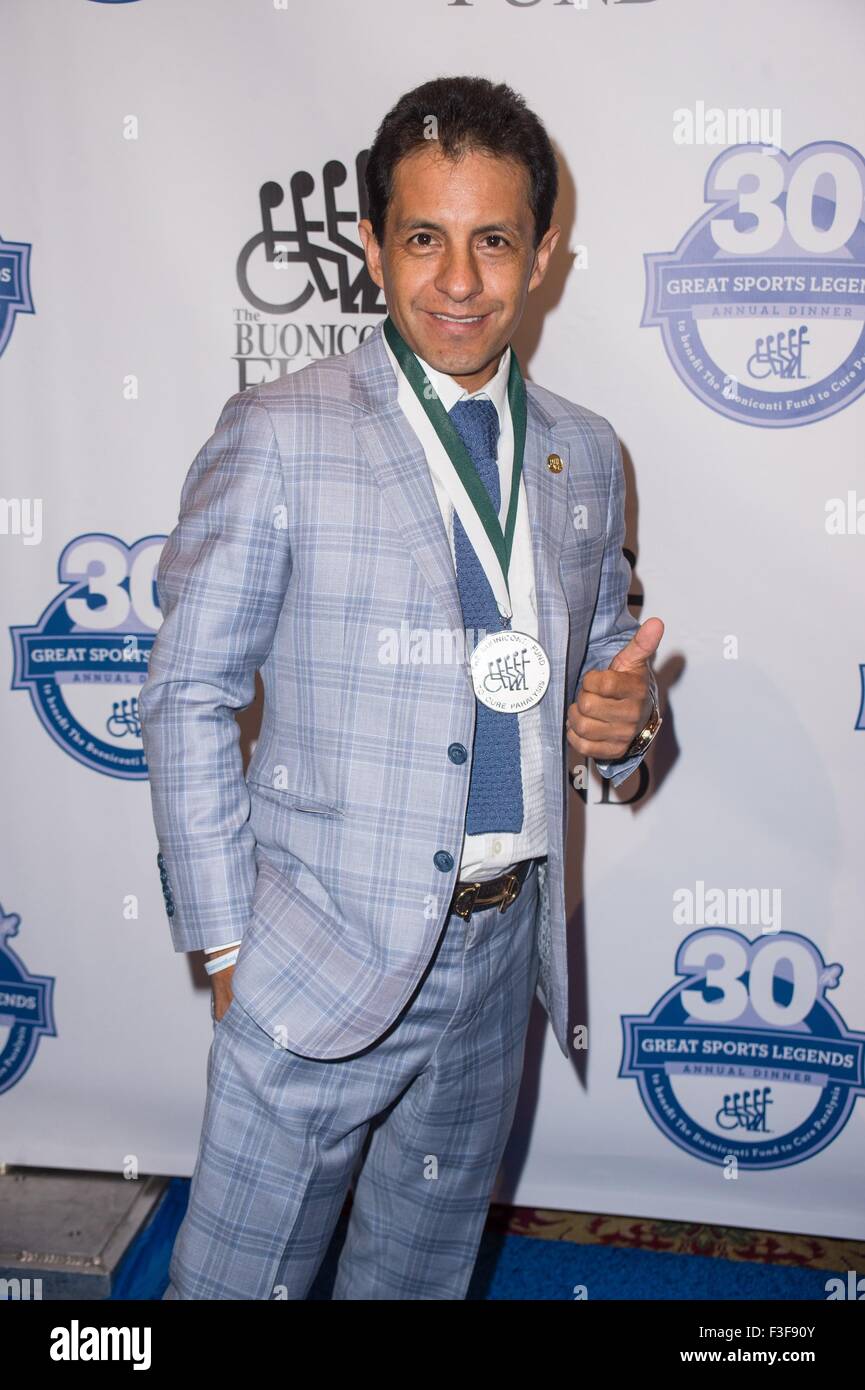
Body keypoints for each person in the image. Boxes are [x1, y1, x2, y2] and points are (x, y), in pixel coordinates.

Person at [139, 73, 664, 1301]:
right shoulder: (279, 428)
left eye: (493, 241)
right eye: (424, 238)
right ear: (372, 244)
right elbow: (184, 693)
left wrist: (626, 730)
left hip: (496, 969)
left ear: (542, 256)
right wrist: (227, 944)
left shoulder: (584, 450)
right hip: (313, 957)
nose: (460, 281)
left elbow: (607, 681)